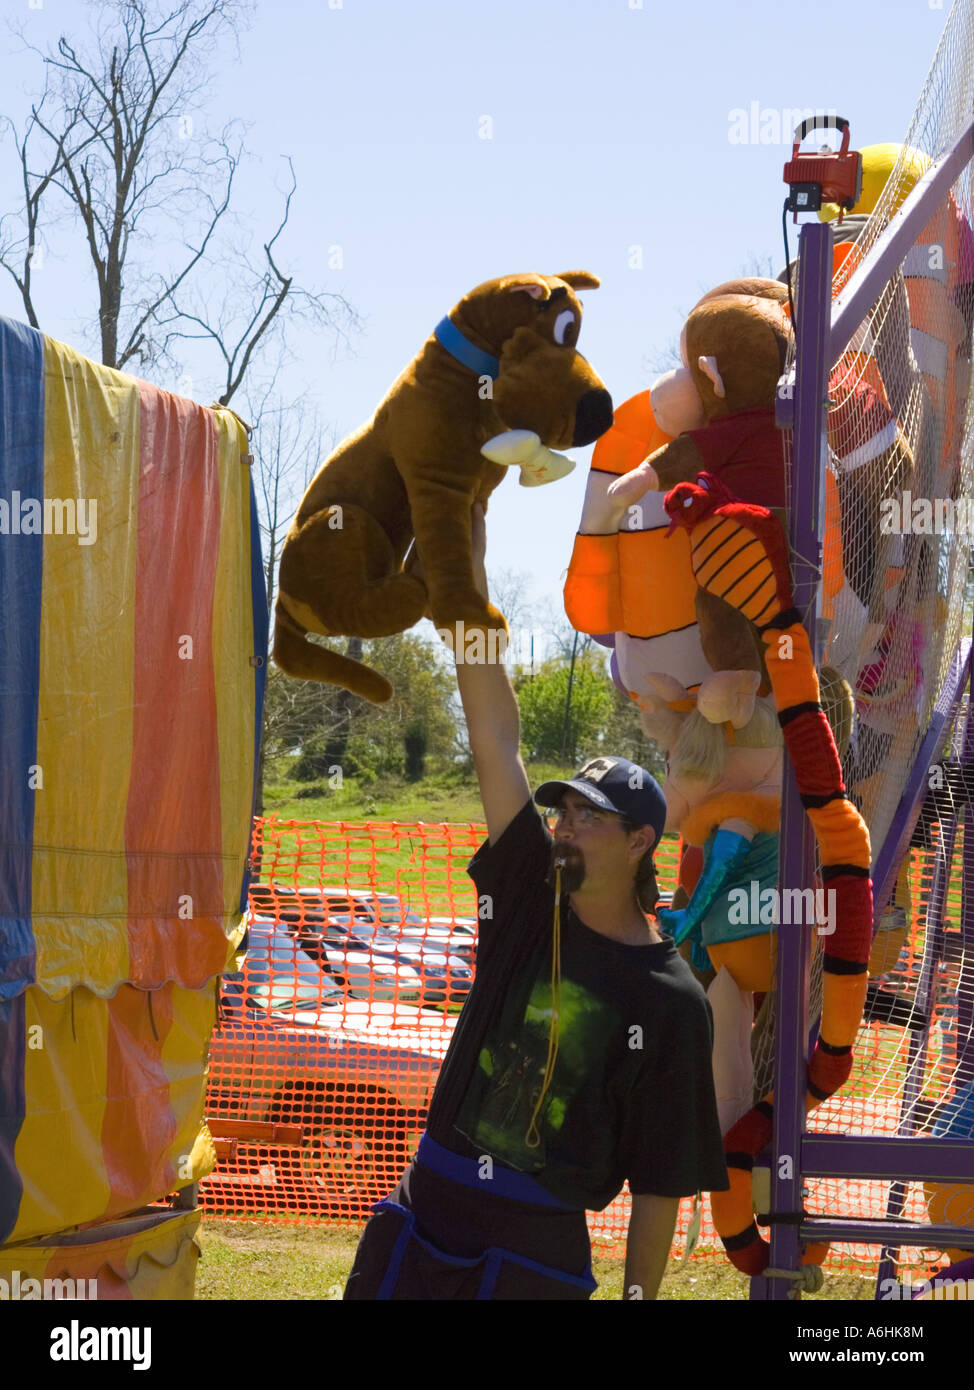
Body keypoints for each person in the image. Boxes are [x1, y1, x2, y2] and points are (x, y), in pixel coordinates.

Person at [343, 505, 728, 1301]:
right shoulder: (529, 895)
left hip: (535, 1259)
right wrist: (465, 585)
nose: (566, 824)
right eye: (564, 809)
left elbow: (661, 1185)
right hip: (424, 1218)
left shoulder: (672, 1001)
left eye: (590, 815)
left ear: (639, 843)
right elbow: (494, 734)